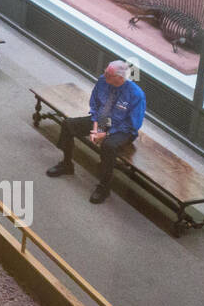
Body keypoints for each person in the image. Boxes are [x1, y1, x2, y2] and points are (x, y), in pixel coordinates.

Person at [47, 60, 146, 203]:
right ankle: (66, 164)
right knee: (68, 124)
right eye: (105, 72)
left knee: (108, 146)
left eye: (108, 74)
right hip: (102, 120)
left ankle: (104, 187)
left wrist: (106, 134)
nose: (104, 75)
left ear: (120, 77)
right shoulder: (102, 80)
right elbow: (95, 105)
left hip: (122, 129)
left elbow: (132, 125)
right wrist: (95, 127)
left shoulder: (136, 95)